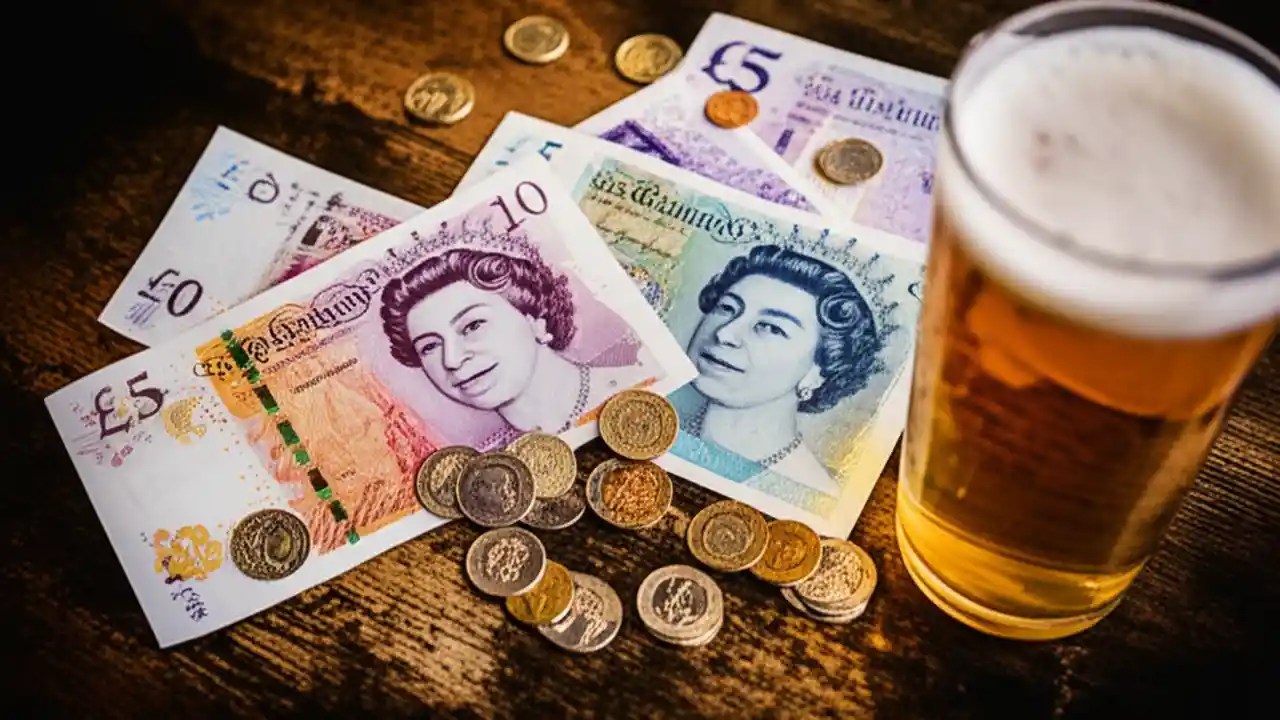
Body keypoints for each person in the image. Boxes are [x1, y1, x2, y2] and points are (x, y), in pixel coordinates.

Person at [680, 244, 882, 495]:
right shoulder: (662, 418)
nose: (724, 333)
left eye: (771, 327)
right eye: (727, 308)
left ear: (818, 372)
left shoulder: (812, 492)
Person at [380, 247, 635, 445]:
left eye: (473, 326)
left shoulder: (639, 385)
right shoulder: (489, 467)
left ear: (536, 319)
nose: (452, 359)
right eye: (429, 347)